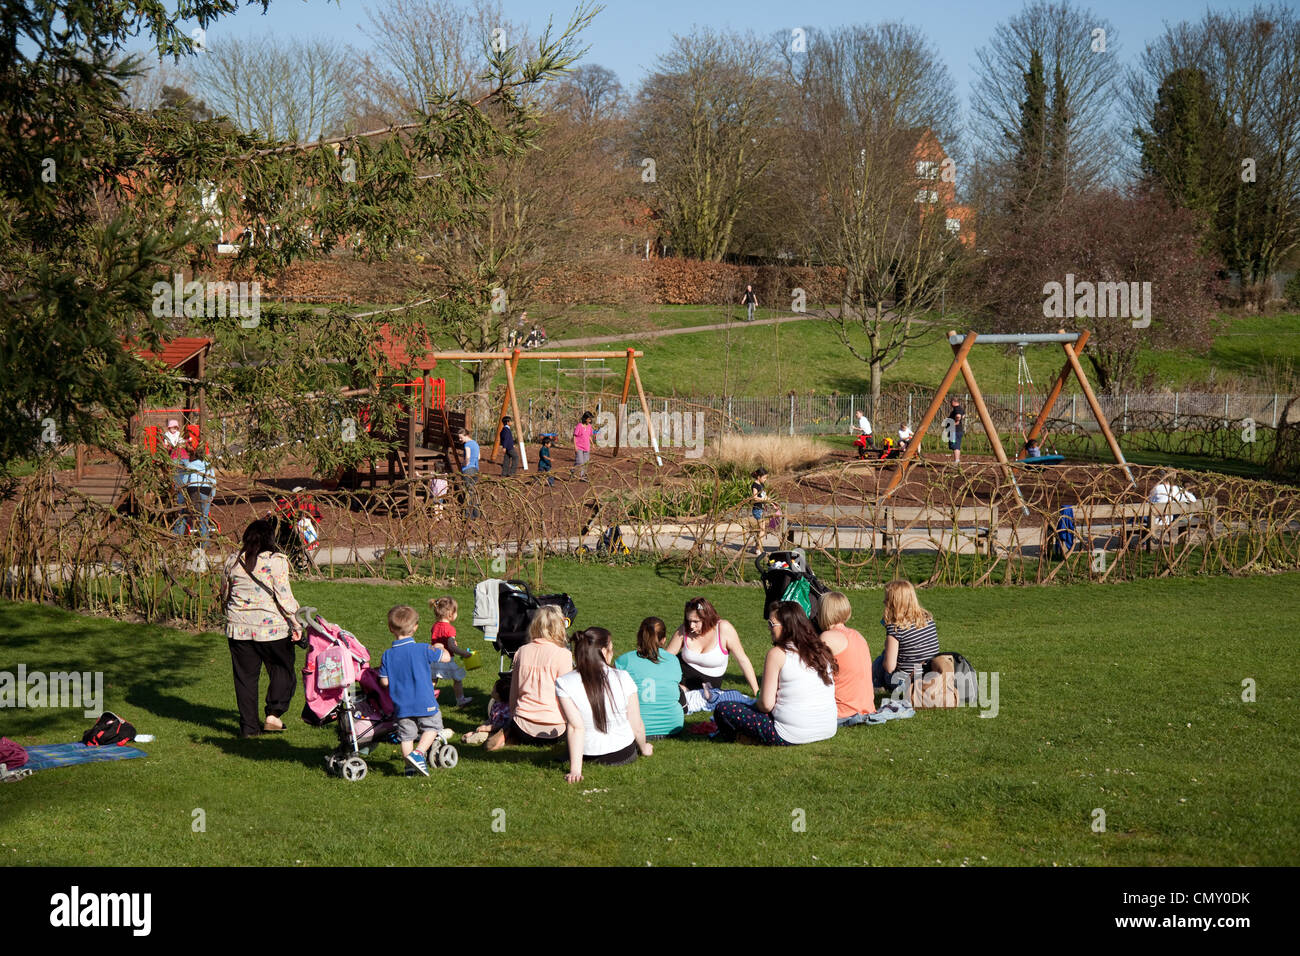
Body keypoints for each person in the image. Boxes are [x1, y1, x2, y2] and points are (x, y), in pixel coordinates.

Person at [712, 601, 837, 746]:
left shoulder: (777, 654)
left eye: (772, 624)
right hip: (827, 728)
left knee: (724, 709)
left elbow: (766, 705)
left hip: (789, 734)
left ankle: (740, 738)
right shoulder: (821, 650)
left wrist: (753, 705)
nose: (769, 628)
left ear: (787, 626)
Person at [222, 519, 302, 738]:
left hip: (239, 629)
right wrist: (297, 624)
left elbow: (224, 593)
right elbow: (284, 597)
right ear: (270, 539)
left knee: (245, 679)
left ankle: (249, 728)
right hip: (272, 629)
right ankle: (273, 714)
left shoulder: (232, 561)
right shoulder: (276, 561)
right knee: (282, 669)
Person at [557, 627, 653, 782]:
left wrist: (576, 770)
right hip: (622, 753)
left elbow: (576, 727)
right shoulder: (623, 677)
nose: (612, 653)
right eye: (611, 649)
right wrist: (644, 748)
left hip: (586, 755)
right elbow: (636, 722)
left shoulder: (564, 682)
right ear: (603, 651)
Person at [486, 605, 574, 751]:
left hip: (522, 726)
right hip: (555, 729)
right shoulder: (564, 654)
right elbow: (567, 695)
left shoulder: (522, 651)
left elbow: (514, 691)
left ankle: (508, 735)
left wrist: (512, 718)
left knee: (516, 727)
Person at [377, 605, 452, 777]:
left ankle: (409, 768)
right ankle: (419, 754)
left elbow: (384, 681)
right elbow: (446, 658)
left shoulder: (387, 655)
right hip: (424, 700)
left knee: (406, 736)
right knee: (433, 727)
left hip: (401, 704)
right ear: (416, 627)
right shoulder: (424, 649)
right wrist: (441, 647)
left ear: (390, 629)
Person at [667, 597, 759, 695]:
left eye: (696, 621)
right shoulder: (684, 629)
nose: (691, 626)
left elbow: (743, 661)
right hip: (680, 673)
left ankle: (681, 691)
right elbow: (667, 656)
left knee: (696, 694)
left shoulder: (723, 629)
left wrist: (756, 691)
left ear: (707, 618)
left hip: (708, 683)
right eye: (689, 621)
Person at [615, 617, 684, 739]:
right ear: (663, 640)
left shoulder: (625, 660)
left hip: (636, 727)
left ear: (639, 636)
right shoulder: (673, 660)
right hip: (673, 726)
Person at [874, 579, 940, 701]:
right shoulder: (928, 620)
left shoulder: (896, 629)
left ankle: (877, 686)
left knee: (880, 660)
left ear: (895, 603)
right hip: (929, 673)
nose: (884, 601)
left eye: (887, 599)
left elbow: (889, 667)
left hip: (907, 680)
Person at [817, 591, 875, 726]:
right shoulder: (857, 635)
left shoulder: (827, 637)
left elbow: (812, 674)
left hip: (843, 712)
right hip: (866, 708)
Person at [428, 596, 473, 706]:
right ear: (450, 614)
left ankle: (426, 699)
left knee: (433, 680)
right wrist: (463, 653)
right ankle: (460, 700)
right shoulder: (450, 629)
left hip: (434, 658)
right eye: (456, 611)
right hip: (446, 659)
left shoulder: (435, 626)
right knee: (457, 679)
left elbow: (439, 640)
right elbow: (451, 647)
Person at [173, 448, 217, 537]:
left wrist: (180, 488)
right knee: (204, 517)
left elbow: (185, 481)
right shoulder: (209, 465)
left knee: (185, 512)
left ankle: (177, 536)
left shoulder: (191, 465)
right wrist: (213, 494)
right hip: (206, 490)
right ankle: (204, 542)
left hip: (193, 490)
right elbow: (213, 481)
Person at [463, 676, 513, 746]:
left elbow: (500, 725)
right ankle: (473, 734)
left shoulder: (504, 709)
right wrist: (484, 724)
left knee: (481, 736)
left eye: (493, 689)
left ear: (497, 694)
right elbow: (491, 719)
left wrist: (487, 728)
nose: (492, 690)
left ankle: (469, 740)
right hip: (492, 729)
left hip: (499, 732)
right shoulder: (496, 705)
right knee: (480, 731)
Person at [457, 428, 481, 519]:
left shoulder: (467, 444)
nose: (460, 440)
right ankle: (477, 513)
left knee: (468, 492)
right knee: (474, 491)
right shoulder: (475, 443)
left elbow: (467, 457)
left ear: (466, 435)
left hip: (468, 470)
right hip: (475, 469)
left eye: (461, 437)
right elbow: (478, 457)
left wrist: (463, 463)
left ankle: (468, 514)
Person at [572, 411, 602, 481]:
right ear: (585, 418)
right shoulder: (579, 426)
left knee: (585, 462)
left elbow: (589, 436)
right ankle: (573, 470)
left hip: (586, 447)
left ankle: (583, 476)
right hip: (579, 446)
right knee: (580, 462)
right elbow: (574, 436)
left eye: (590, 419)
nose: (590, 420)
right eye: (589, 419)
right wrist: (575, 446)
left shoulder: (589, 427)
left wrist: (592, 444)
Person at [750, 467, 770, 555]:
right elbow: (754, 497)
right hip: (757, 510)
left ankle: (757, 547)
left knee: (761, 530)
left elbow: (763, 496)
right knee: (762, 530)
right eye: (764, 478)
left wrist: (768, 500)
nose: (765, 480)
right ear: (758, 477)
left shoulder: (762, 485)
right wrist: (763, 500)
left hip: (761, 509)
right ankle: (758, 549)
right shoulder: (755, 485)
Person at [947, 398, 965, 466]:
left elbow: (958, 416)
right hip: (957, 431)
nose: (950, 404)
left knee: (955, 446)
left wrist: (956, 421)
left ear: (954, 402)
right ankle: (957, 460)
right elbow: (963, 415)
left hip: (955, 431)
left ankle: (957, 461)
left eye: (951, 402)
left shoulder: (957, 409)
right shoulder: (960, 408)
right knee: (955, 445)